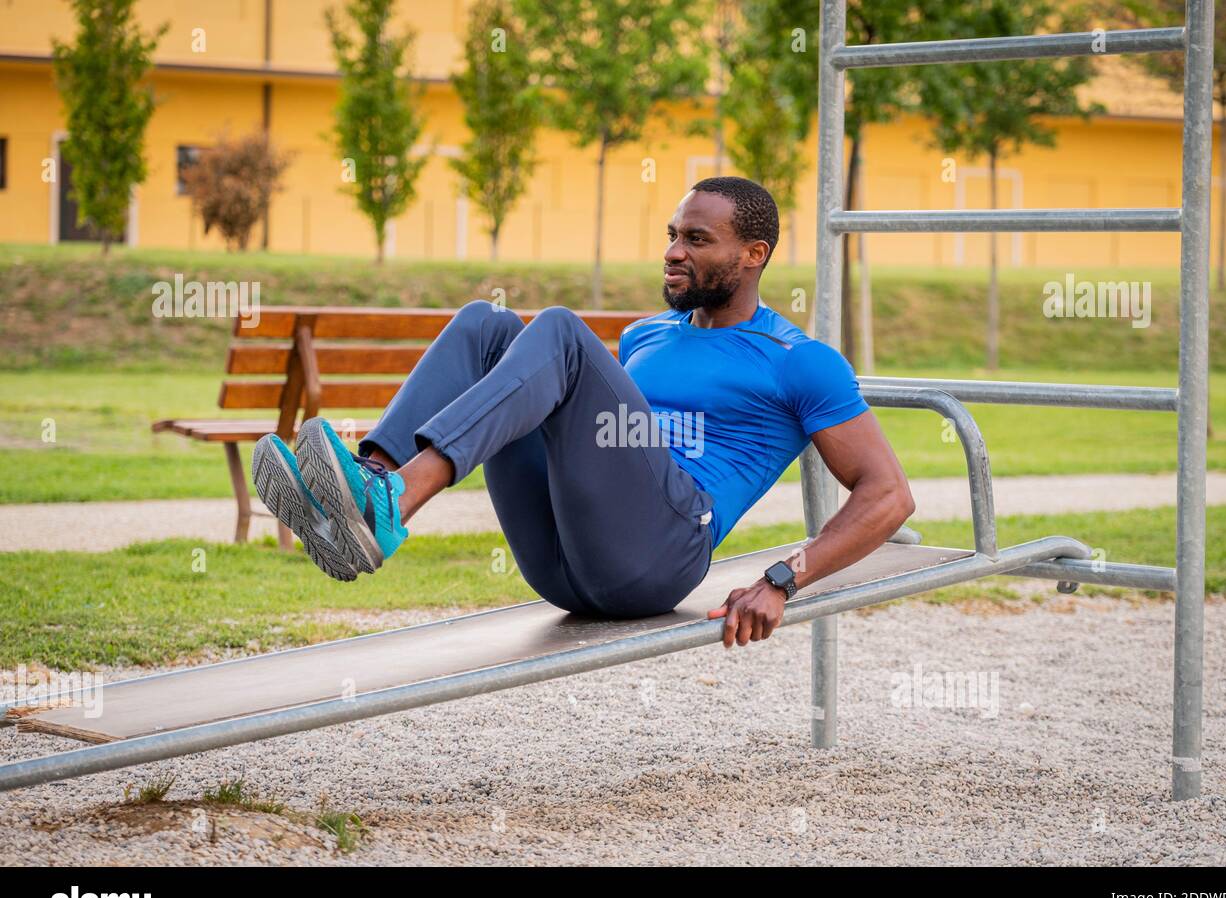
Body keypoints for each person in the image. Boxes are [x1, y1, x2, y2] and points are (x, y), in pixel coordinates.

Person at [252, 176, 914, 648]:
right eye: (672, 235)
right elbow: (597, 456)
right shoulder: (645, 334)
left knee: (562, 331)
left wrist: (782, 580)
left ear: (754, 256)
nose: (674, 251)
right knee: (487, 324)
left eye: (698, 239)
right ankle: (369, 486)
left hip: (664, 554)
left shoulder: (798, 359)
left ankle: (393, 500)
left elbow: (888, 494)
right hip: (568, 563)